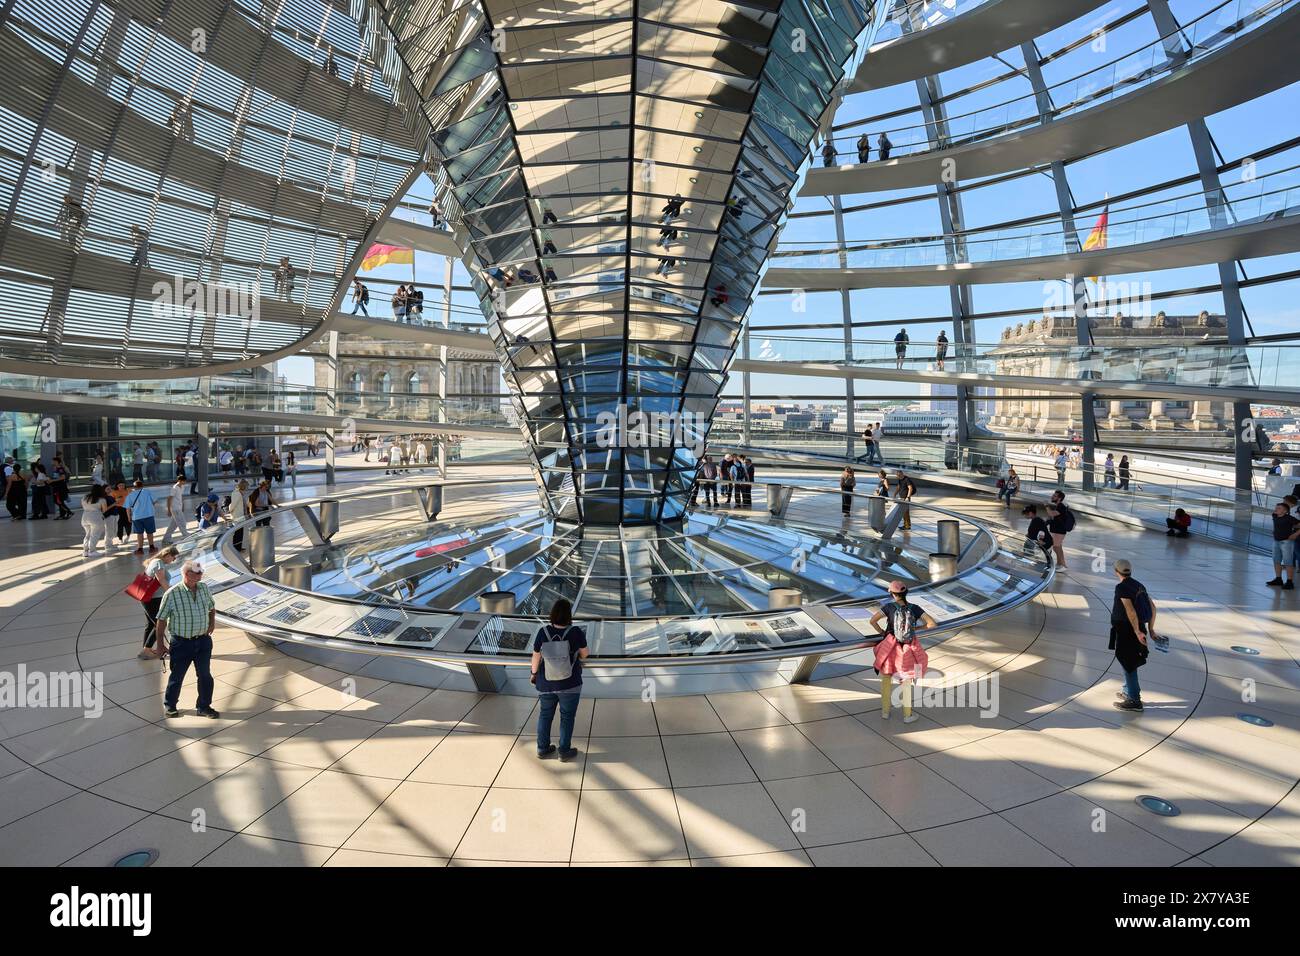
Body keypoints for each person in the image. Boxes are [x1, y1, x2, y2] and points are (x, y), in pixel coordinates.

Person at [156, 561, 220, 719]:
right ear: (186, 574)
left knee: (205, 675)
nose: (199, 576)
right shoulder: (171, 594)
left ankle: (204, 706)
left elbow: (212, 607)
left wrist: (211, 623)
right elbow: (161, 620)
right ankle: (170, 705)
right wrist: (160, 644)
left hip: (203, 641)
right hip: (181, 643)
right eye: (196, 574)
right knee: (177, 676)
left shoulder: (204, 588)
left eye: (200, 573)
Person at [530, 598, 588, 761]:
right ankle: (564, 750)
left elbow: (535, 657)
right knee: (567, 717)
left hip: (545, 683)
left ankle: (542, 748)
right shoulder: (575, 632)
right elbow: (585, 654)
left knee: (545, 715)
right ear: (569, 615)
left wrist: (533, 673)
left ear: (553, 615)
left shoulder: (543, 632)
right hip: (570, 683)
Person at [870, 581, 936, 723]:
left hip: (889, 646)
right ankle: (907, 715)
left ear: (892, 594)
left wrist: (883, 632)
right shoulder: (915, 608)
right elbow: (932, 624)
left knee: (886, 679)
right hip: (907, 648)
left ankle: (885, 712)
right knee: (906, 682)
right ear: (906, 593)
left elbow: (872, 621)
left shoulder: (888, 607)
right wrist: (915, 629)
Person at [1110, 559, 1158, 713]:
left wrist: (1137, 631)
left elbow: (1130, 610)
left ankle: (1134, 700)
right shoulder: (1139, 585)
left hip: (1127, 630)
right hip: (1137, 628)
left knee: (1128, 662)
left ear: (1115, 571)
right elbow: (1153, 608)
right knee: (1127, 660)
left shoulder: (1121, 588)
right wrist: (1150, 629)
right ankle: (1127, 690)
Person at [138, 546, 181, 660]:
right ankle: (146, 650)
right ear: (167, 555)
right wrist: (172, 593)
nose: (173, 560)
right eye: (173, 557)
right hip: (152, 599)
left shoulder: (156, 562)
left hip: (149, 598)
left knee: (151, 624)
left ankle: (146, 649)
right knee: (160, 623)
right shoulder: (158, 562)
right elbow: (161, 580)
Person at [1267, 501, 1300, 590]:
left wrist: (1295, 534)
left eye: (1279, 508)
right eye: (1276, 508)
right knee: (1276, 560)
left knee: (1288, 562)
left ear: (1285, 511)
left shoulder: (1289, 518)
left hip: (1286, 542)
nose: (1276, 509)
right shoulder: (1274, 516)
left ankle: (1289, 582)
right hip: (1276, 541)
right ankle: (1278, 579)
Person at [124, 479, 158, 553]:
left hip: (136, 517)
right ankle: (151, 547)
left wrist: (129, 517)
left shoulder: (130, 495)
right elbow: (155, 501)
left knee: (139, 533)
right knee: (149, 532)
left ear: (134, 487)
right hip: (148, 515)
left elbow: (128, 508)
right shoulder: (147, 492)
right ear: (142, 486)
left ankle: (140, 549)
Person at [80, 484, 112, 555]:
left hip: (85, 516)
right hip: (96, 517)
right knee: (95, 534)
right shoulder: (102, 499)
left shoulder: (85, 497)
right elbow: (104, 510)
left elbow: (83, 506)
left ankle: (85, 551)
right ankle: (92, 551)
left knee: (87, 534)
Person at [1046, 501, 1074, 570]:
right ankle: (1059, 563)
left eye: (1055, 496)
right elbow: (1051, 518)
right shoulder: (1059, 506)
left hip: (1059, 531)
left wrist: (1046, 506)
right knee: (1058, 547)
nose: (1053, 497)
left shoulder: (1061, 506)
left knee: (1056, 547)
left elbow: (1051, 514)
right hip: (1056, 530)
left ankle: (1063, 565)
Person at [160, 474, 188, 543]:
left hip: (179, 507)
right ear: (179, 481)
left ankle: (166, 538)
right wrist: (169, 510)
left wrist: (183, 506)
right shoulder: (174, 488)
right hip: (175, 509)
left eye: (185, 481)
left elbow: (181, 497)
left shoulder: (182, 487)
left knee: (173, 525)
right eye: (183, 481)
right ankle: (186, 536)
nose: (184, 482)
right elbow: (169, 499)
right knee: (182, 523)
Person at [230, 479, 251, 550]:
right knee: (237, 532)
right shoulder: (236, 493)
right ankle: (236, 547)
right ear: (243, 486)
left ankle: (238, 547)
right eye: (247, 486)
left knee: (240, 532)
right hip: (237, 515)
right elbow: (233, 504)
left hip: (241, 515)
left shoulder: (241, 493)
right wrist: (230, 511)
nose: (247, 488)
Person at [4, 456, 26, 520]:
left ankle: (16, 514)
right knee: (21, 504)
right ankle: (21, 515)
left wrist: (6, 493)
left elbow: (9, 485)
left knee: (9, 505)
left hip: (13, 492)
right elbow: (26, 484)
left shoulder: (11, 476)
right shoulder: (23, 475)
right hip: (21, 491)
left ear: (13, 469)